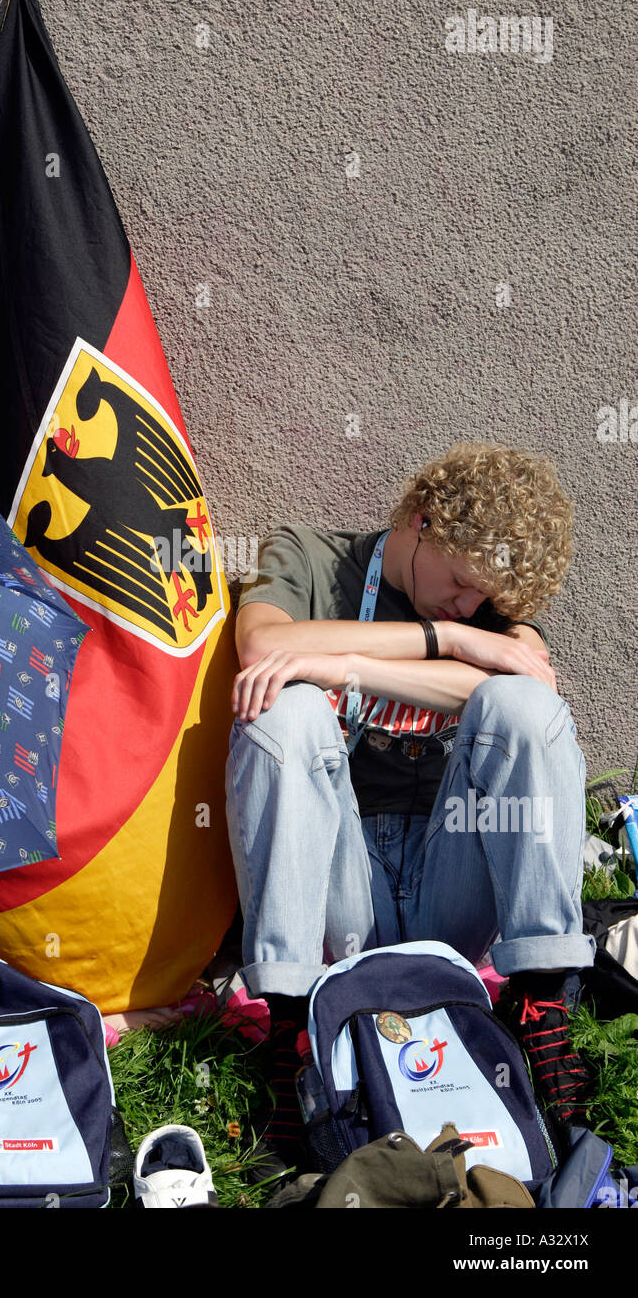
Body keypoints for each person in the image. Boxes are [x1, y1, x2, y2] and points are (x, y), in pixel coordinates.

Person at [225, 442, 594, 1164]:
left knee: (518, 706)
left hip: (447, 887)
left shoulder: (492, 604)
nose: (470, 605)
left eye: (479, 602)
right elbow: (263, 646)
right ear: (420, 521)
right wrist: (444, 639)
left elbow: (527, 689)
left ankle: (544, 1001)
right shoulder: (307, 555)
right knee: (284, 712)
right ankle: (291, 1025)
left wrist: (344, 666)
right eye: (458, 584)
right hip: (340, 885)